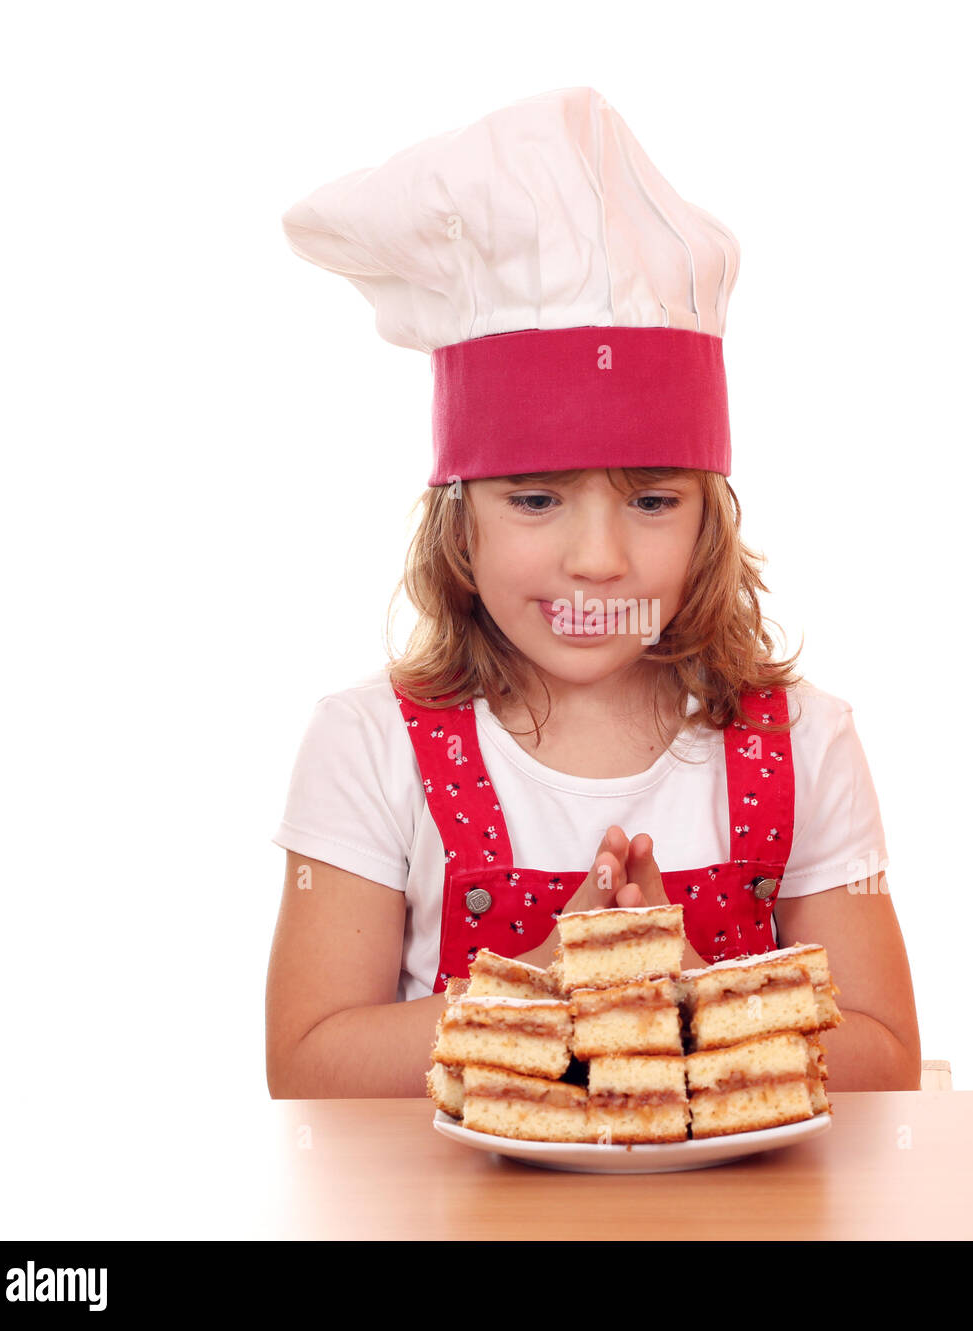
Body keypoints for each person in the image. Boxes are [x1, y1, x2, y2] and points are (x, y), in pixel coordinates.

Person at [265, 87, 921, 1099]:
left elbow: (884, 1058)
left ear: (709, 515)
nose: (599, 558)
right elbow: (310, 1066)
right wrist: (538, 987)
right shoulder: (370, 744)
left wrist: (691, 994)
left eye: (653, 499)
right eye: (535, 499)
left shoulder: (804, 740)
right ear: (460, 519)